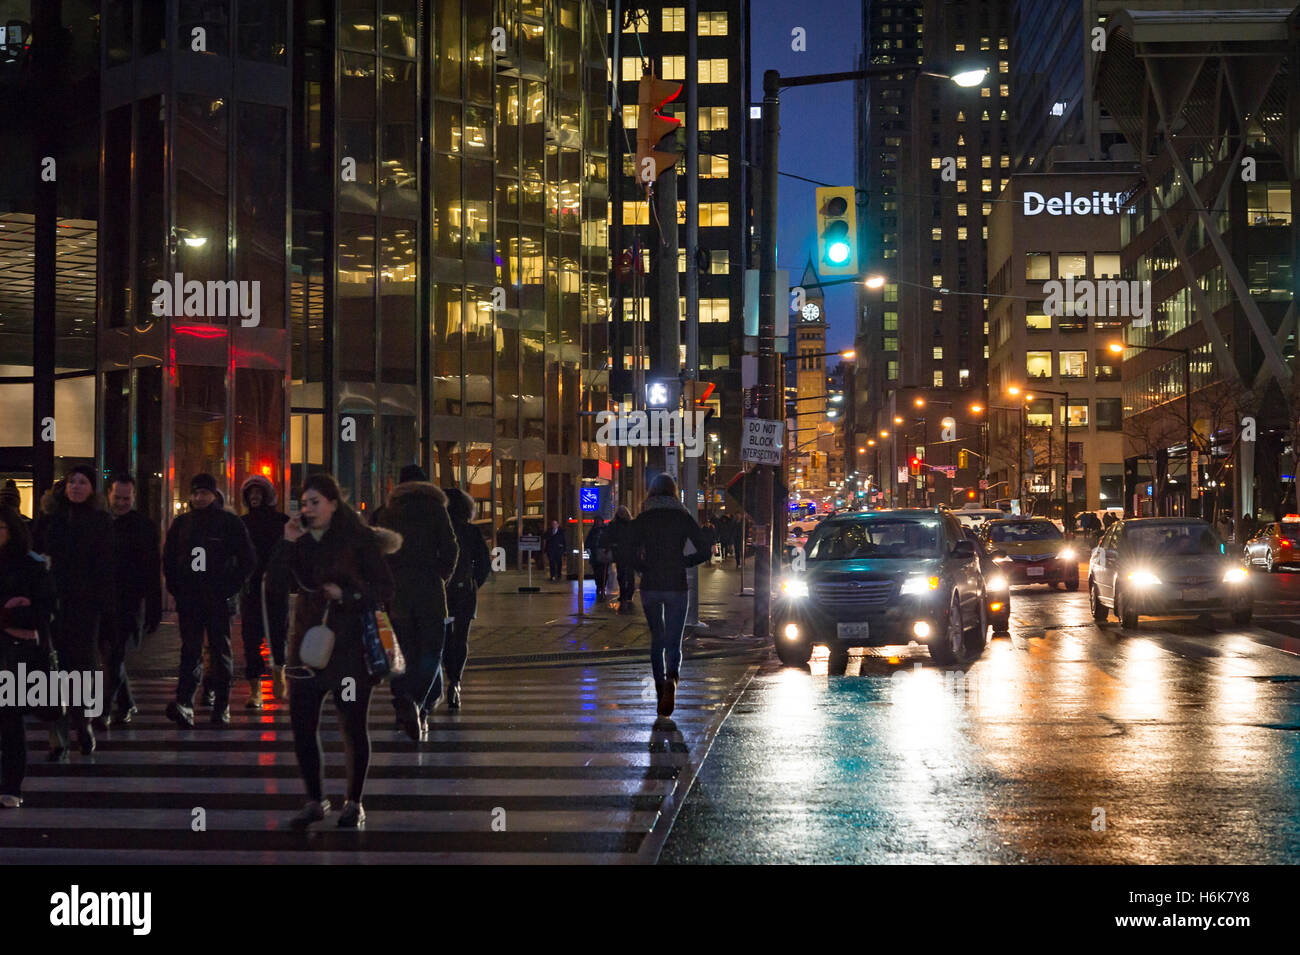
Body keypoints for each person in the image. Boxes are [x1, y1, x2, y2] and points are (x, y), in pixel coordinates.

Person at [267, 473, 400, 828]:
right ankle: (314, 799)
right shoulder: (300, 539)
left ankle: (354, 802)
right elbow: (277, 582)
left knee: (353, 726)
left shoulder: (358, 539)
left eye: (314, 502)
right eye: (303, 503)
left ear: (332, 504)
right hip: (307, 647)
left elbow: (385, 589)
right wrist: (288, 542)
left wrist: (350, 596)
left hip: (349, 649)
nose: (307, 509)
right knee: (302, 725)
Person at [33, 466, 115, 758]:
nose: (76, 487)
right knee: (53, 666)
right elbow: (34, 553)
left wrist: (103, 603)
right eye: (72, 482)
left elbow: (106, 566)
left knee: (82, 665)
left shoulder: (101, 522)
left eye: (82, 482)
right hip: (53, 603)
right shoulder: (50, 520)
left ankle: (83, 722)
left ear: (92, 489)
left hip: (85, 605)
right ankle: (57, 732)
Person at [162, 474, 256, 729]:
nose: (199, 497)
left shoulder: (228, 523)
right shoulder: (182, 524)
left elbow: (248, 559)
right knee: (190, 651)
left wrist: (230, 587)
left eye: (204, 493)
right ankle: (185, 703)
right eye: (195, 493)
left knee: (220, 651)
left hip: (218, 598)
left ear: (214, 495)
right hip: (191, 599)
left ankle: (221, 705)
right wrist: (176, 588)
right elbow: (169, 559)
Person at [372, 466, 457, 741]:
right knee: (431, 650)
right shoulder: (435, 509)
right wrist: (440, 574)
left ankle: (403, 705)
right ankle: (417, 700)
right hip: (430, 592)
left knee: (403, 653)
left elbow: (376, 553)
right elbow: (450, 547)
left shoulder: (387, 512)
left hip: (397, 595)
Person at [631, 475, 709, 718]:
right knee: (674, 641)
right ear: (674, 492)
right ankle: (671, 681)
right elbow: (704, 549)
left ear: (652, 492)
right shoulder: (682, 516)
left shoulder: (644, 517)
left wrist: (642, 566)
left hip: (651, 584)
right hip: (676, 583)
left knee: (657, 640)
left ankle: (658, 691)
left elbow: (625, 548)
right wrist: (685, 562)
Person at [0, 506, 56, 807]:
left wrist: (15, 612)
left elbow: (44, 611)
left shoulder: (30, 565)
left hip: (14, 653)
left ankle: (11, 786)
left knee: (9, 720)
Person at [99, 475, 161, 729]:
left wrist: (153, 606)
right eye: (118, 498)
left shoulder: (143, 526)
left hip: (129, 601)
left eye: (127, 498)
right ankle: (124, 702)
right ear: (108, 495)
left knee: (115, 655)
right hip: (101, 600)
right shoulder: (99, 523)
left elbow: (151, 568)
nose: (122, 503)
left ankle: (104, 708)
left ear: (134, 497)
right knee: (110, 654)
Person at [238, 475, 291, 708]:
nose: (255, 497)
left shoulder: (283, 522)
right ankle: (255, 688)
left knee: (278, 632)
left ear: (267, 496)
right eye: (251, 494)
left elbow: (292, 552)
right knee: (251, 637)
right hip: (250, 589)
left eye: (259, 493)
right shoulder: (241, 523)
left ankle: (279, 671)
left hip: (276, 586)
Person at [441, 488, 491, 712]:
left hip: (442, 592)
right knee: (460, 638)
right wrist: (474, 584)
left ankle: (446, 673)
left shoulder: (439, 529)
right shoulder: (471, 532)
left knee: (443, 638)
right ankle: (455, 682)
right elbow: (484, 564)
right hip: (464, 593)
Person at [609, 505, 637, 613]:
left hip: (625, 553)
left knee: (626, 574)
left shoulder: (620, 524)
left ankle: (627, 593)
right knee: (624, 575)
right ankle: (626, 593)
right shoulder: (629, 524)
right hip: (625, 553)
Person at [587, 515, 612, 603]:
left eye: (599, 521)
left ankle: (603, 586)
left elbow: (609, 540)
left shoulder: (606, 530)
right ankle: (599, 586)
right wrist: (589, 549)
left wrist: (607, 548)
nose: (598, 523)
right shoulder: (593, 531)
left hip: (604, 554)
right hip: (595, 554)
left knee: (604, 571)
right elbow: (588, 541)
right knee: (597, 572)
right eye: (596, 521)